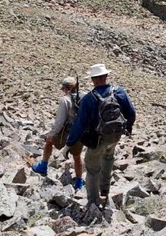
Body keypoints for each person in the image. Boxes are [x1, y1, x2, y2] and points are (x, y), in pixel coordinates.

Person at [66, 63, 135, 222]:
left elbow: (80, 124)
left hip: (97, 139)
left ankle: (93, 202)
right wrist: (127, 128)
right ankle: (105, 190)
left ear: (93, 80)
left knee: (91, 168)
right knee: (109, 158)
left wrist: (69, 144)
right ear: (106, 76)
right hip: (115, 136)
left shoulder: (89, 98)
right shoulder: (119, 92)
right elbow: (131, 113)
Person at [33, 77, 84, 190]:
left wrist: (51, 134)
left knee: (49, 141)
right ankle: (79, 182)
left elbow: (60, 122)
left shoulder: (65, 100)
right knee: (77, 156)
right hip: (80, 133)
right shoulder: (84, 97)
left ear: (66, 88)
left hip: (66, 133)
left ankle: (43, 166)